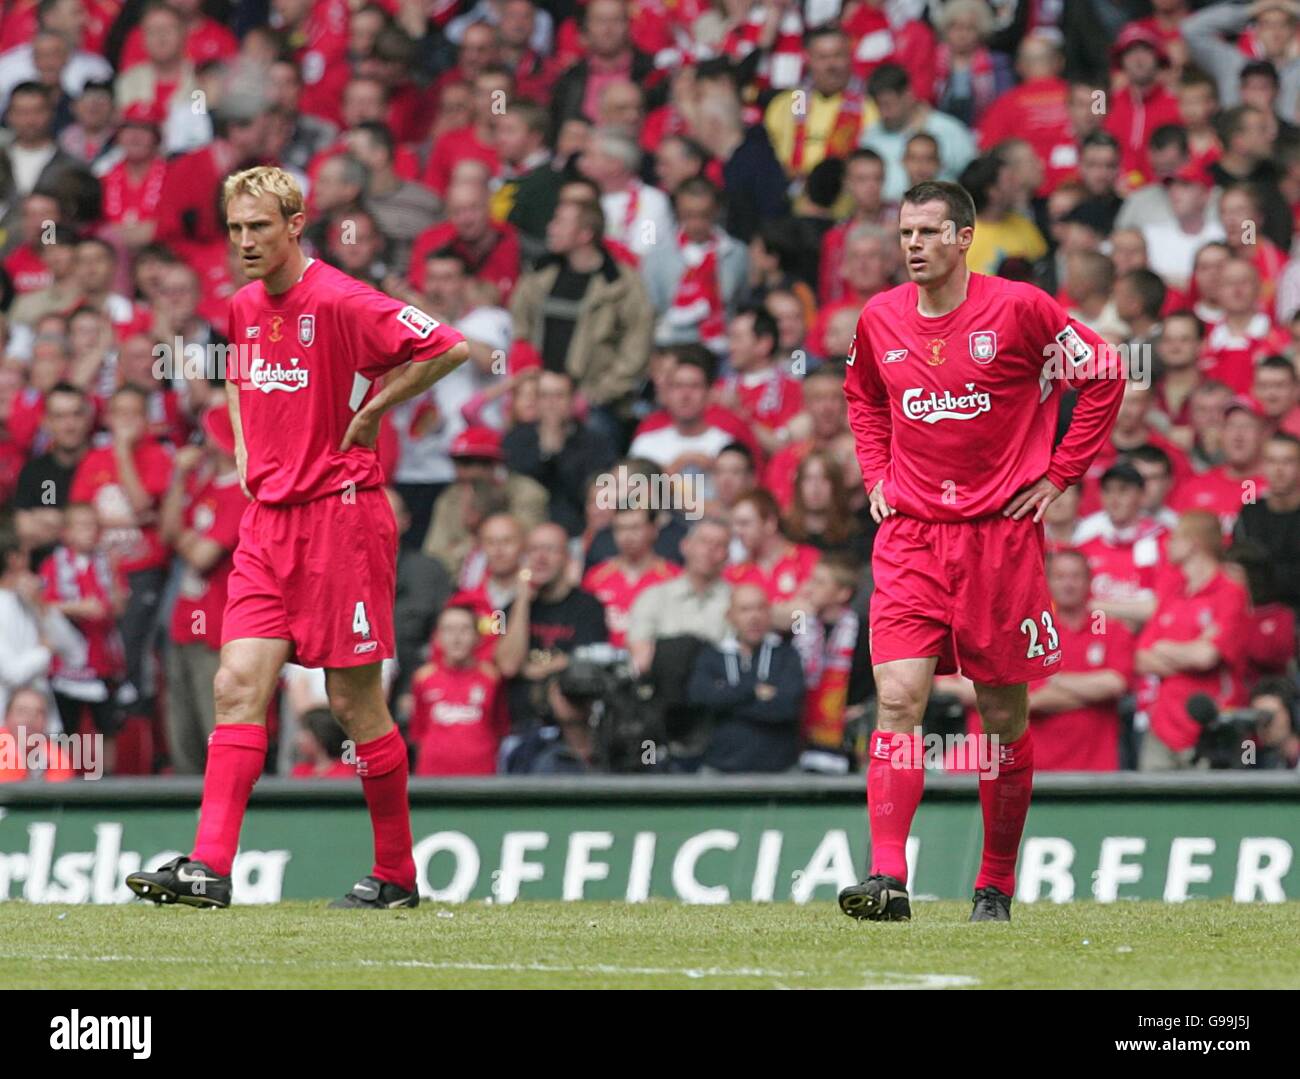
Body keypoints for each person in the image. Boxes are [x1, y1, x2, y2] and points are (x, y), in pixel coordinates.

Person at [125, 165, 469, 910]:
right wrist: (245, 447)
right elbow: (242, 377)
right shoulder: (245, 305)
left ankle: (397, 875)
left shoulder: (342, 298)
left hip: (342, 521)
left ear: (294, 224)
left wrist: (374, 410)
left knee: (354, 706)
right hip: (268, 524)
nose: (246, 241)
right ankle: (210, 869)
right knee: (235, 683)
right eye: (236, 228)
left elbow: (447, 346)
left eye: (259, 227)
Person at [839, 179, 1124, 924]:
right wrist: (876, 473)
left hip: (1000, 538)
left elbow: (1104, 372)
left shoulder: (1021, 308)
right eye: (906, 232)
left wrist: (1060, 474)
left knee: (1001, 720)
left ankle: (994, 883)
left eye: (930, 232)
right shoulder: (878, 318)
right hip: (910, 536)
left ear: (966, 237)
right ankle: (887, 876)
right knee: (898, 698)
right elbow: (864, 397)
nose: (913, 245)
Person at [159, 407, 249, 775]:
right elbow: (168, 535)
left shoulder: (241, 494)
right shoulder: (204, 482)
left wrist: (186, 539)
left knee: (215, 725)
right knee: (181, 728)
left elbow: (201, 556)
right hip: (184, 621)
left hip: (216, 628)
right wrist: (178, 477)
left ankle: (222, 804)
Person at [1135, 511, 1251, 771]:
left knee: (1209, 810)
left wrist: (1163, 648)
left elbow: (1207, 657)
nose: (1168, 544)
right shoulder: (1174, 592)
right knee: (1148, 808)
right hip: (1162, 728)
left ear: (1194, 543)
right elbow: (1142, 659)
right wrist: (1193, 650)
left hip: (1210, 729)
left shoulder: (1231, 592)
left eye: (1175, 538)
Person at [1027, 550, 1135, 771]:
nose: (1068, 584)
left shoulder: (1111, 629)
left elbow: (1116, 684)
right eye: (1060, 577)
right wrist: (1095, 694)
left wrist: (1055, 680)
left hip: (1098, 768)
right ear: (1047, 582)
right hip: (1041, 768)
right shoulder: (1033, 634)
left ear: (1089, 581)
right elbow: (1031, 701)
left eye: (1075, 577)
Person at [686, 583, 805, 773]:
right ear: (730, 616)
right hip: (719, 770)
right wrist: (755, 691)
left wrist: (727, 698)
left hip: (781, 772)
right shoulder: (712, 655)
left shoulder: (787, 655)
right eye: (745, 610)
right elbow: (701, 699)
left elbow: (787, 707)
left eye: (760, 608)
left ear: (769, 614)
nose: (754, 617)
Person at [408, 605, 505, 776]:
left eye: (465, 629)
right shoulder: (423, 678)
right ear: (437, 637)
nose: (456, 637)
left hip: (481, 775)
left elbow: (500, 729)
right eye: (448, 629)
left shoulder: (492, 678)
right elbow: (418, 732)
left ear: (478, 637)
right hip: (432, 776)